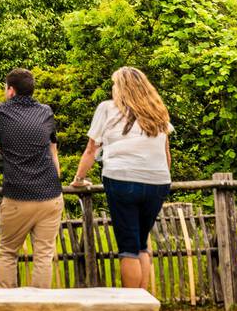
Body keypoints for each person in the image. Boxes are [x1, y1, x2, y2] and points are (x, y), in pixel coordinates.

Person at [69, 67, 171, 289]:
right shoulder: (157, 111)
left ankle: (129, 307)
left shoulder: (107, 109)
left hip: (122, 179)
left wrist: (79, 178)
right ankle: (143, 305)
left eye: (115, 85)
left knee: (128, 247)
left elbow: (91, 149)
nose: (113, 88)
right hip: (158, 182)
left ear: (122, 88)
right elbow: (166, 153)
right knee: (142, 243)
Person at [0, 68, 63, 289]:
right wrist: (56, 183)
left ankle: (8, 306)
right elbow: (53, 153)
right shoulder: (45, 112)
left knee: (8, 252)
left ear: (11, 90)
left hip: (17, 195)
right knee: (43, 255)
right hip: (50, 194)